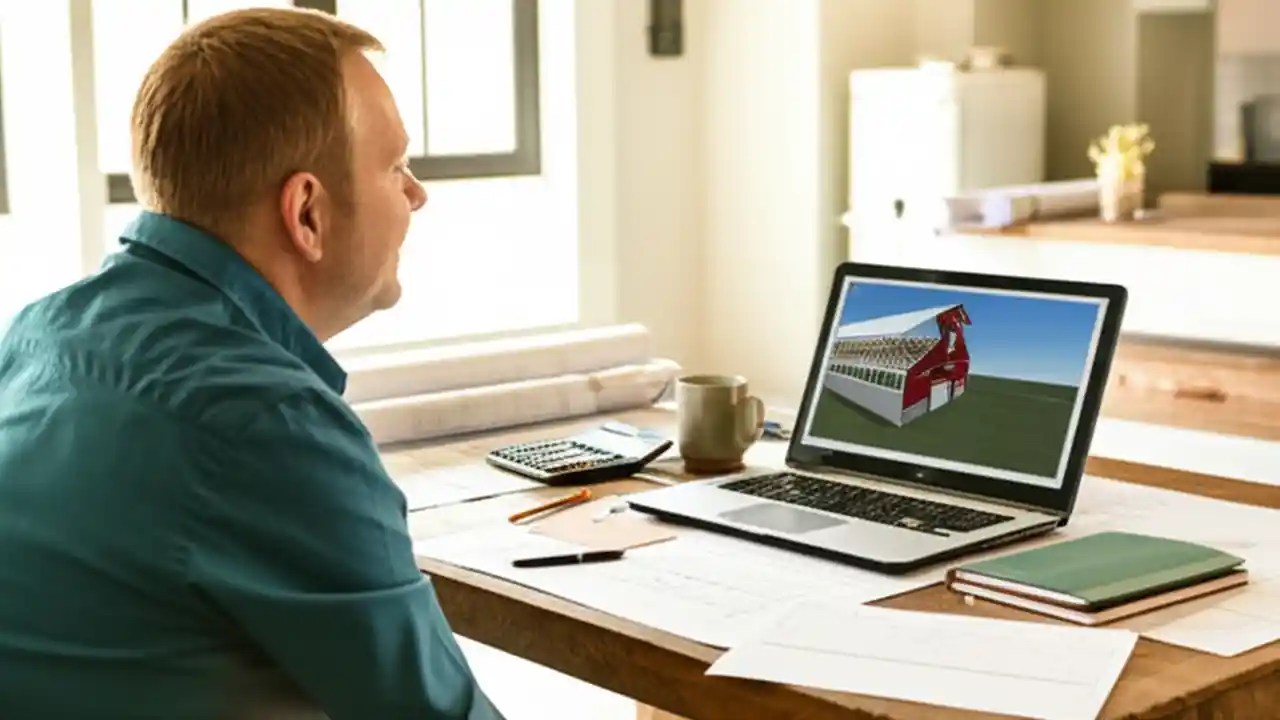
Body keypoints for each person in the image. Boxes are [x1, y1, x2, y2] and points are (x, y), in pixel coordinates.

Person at [0, 8, 503, 719]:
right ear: (307, 213)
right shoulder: (269, 423)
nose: (416, 194)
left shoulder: (38, 334)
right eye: (395, 167)